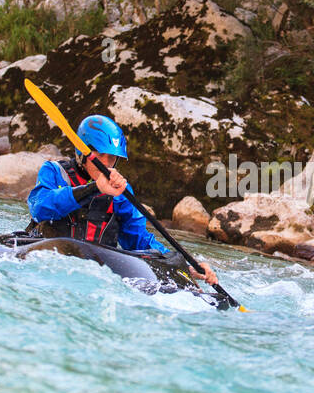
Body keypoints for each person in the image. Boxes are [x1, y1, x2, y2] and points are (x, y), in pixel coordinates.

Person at [27, 114, 218, 285]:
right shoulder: (55, 172)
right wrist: (93, 188)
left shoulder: (120, 192)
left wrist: (185, 266)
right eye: (100, 155)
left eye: (112, 158)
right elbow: (39, 207)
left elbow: (139, 240)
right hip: (50, 260)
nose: (106, 164)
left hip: (95, 272)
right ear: (83, 153)